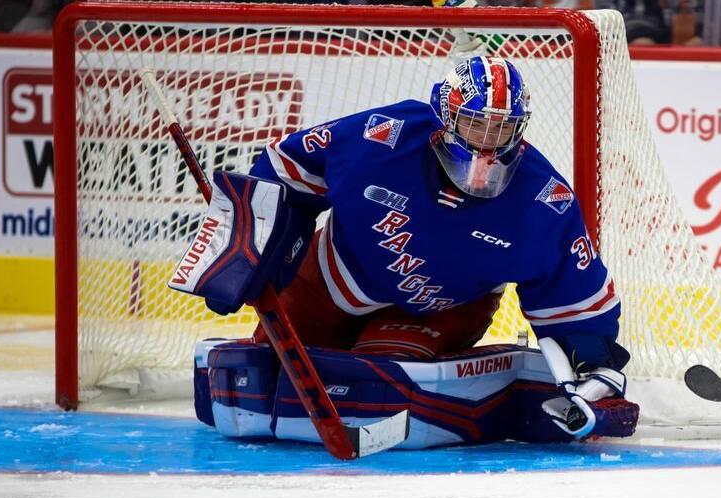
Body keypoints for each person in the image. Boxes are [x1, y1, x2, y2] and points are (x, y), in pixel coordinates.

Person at [181, 56, 636, 447]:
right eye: (476, 123)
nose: (487, 142)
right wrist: (250, 247)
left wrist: (595, 364)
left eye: (503, 128)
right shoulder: (384, 136)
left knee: (374, 387)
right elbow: (288, 165)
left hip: (440, 309)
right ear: (445, 114)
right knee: (265, 374)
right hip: (332, 276)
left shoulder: (543, 200)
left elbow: (572, 296)